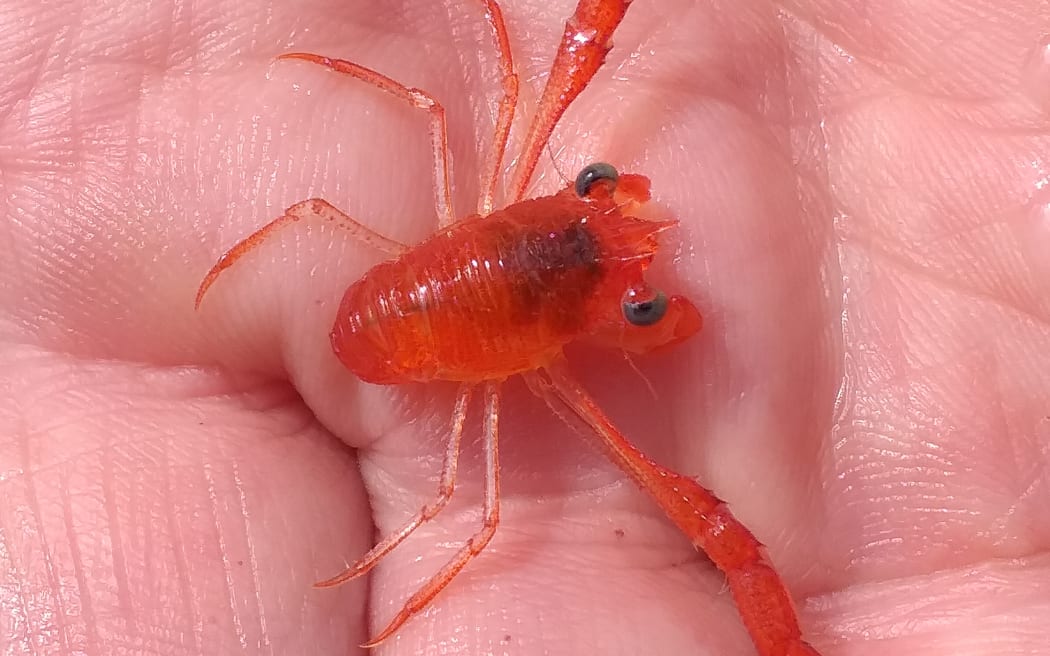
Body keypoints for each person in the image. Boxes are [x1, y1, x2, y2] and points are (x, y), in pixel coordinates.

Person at [2, 1, 1048, 653]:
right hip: (390, 322)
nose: (618, 211)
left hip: (411, 312)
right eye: (594, 186)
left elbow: (536, 48)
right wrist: (648, 320)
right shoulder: (552, 347)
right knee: (556, 522)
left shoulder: (523, 190)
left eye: (638, 305)